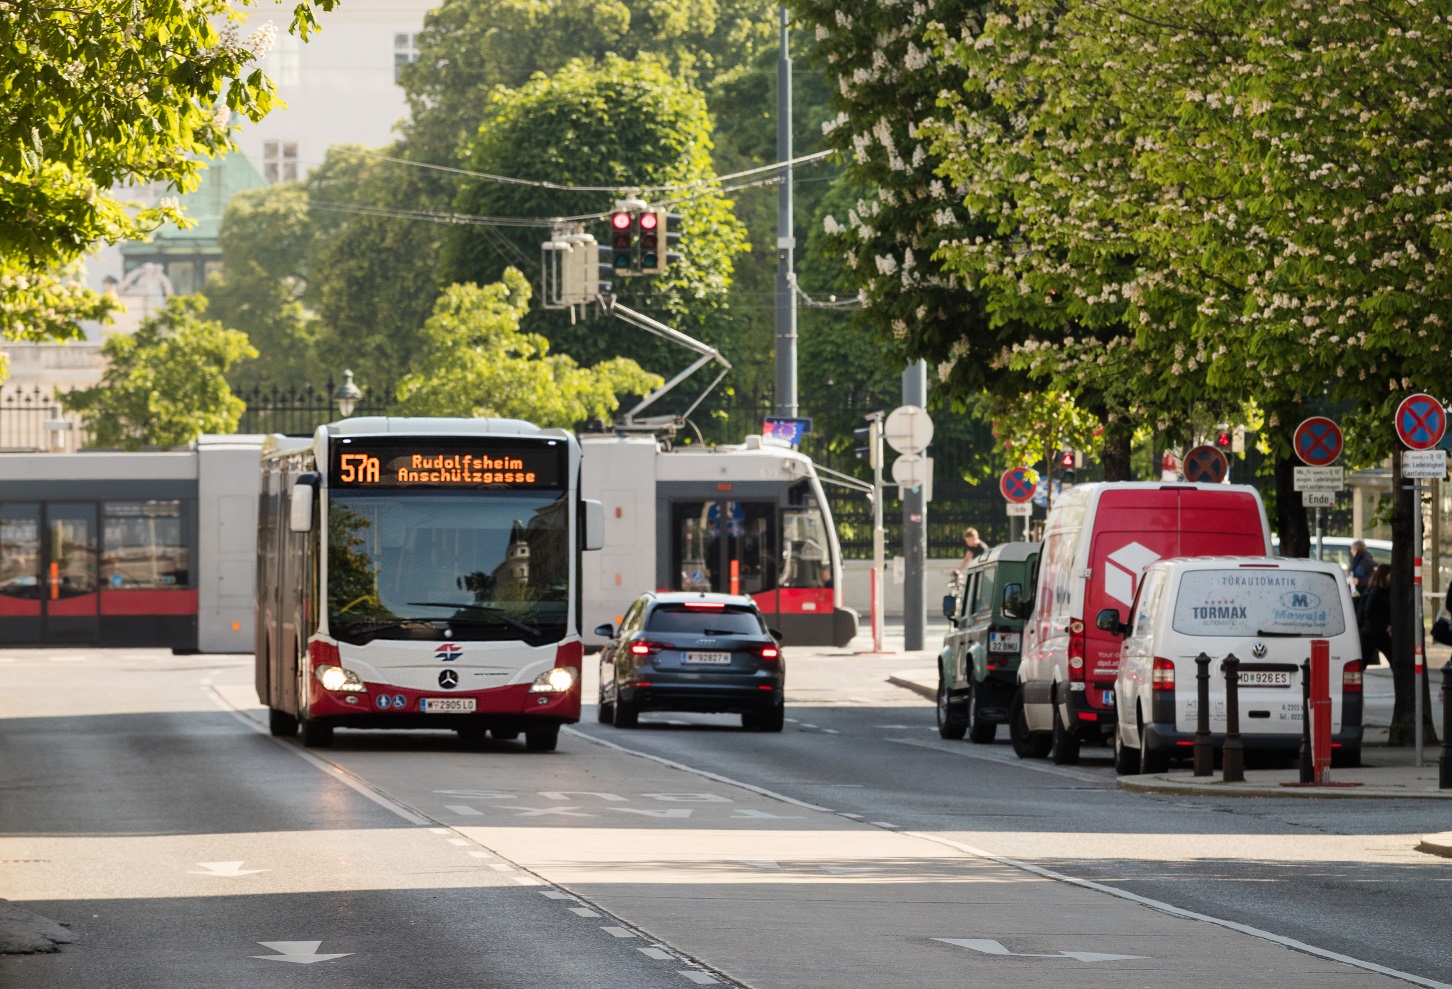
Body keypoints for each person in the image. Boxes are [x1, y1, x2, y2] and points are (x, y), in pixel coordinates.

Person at [1359, 564, 1393, 669]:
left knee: (1362, 663)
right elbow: (1370, 614)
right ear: (1385, 575)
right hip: (1373, 632)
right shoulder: (1377, 592)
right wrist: (1385, 626)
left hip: (1373, 632)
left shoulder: (1378, 591)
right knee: (1362, 663)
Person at [1349, 539, 1375, 621]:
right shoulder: (1362, 560)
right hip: (1360, 594)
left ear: (1355, 549)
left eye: (1351, 549)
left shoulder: (1364, 562)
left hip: (1362, 595)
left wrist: (1359, 581)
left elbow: (1372, 578)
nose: (1351, 552)